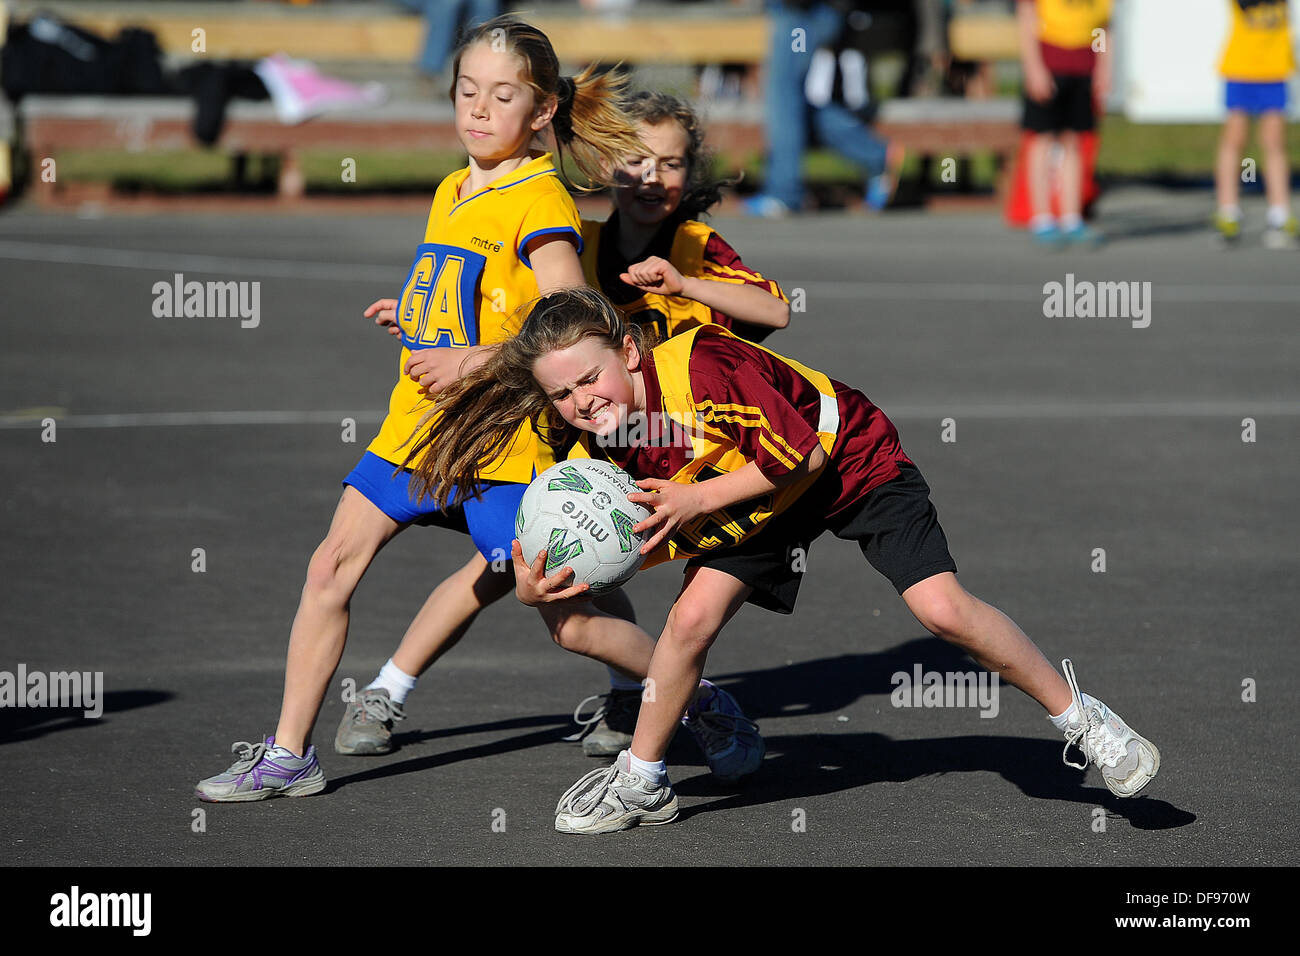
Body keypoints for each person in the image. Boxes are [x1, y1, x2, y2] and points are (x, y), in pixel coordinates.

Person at [404, 287, 1162, 834]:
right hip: (747, 493)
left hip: (845, 459)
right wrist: (541, 583)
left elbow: (797, 453)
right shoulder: (595, 436)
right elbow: (624, 523)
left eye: (590, 378)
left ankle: (1084, 721)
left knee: (940, 610)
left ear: (628, 351)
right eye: (563, 394)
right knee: (689, 620)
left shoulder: (702, 368)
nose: (583, 401)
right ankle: (643, 780)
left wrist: (695, 505)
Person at [194, 15, 671, 802]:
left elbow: (572, 322)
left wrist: (473, 358)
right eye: (466, 91)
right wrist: (422, 313)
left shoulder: (539, 197)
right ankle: (288, 754)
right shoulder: (456, 185)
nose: (478, 109)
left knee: (568, 619)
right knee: (328, 569)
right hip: (419, 425)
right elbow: (477, 294)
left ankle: (697, 694)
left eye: (502, 95)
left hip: (506, 441)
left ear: (543, 109)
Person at [350, 88, 792, 761]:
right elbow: (511, 316)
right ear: (609, 164)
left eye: (670, 164)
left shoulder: (697, 247)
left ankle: (654, 696)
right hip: (587, 441)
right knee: (514, 563)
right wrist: (422, 317)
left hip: (681, 454)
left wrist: (687, 286)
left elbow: (775, 312)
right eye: (636, 160)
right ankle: (393, 687)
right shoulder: (576, 246)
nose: (650, 177)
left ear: (690, 175)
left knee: (566, 573)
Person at [744, 0, 904, 217]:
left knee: (784, 96)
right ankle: (876, 155)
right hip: (806, 12)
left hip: (802, 14)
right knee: (791, 103)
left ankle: (784, 193)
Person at [1015, 0, 1111, 246]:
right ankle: (1043, 219)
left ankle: (1071, 218)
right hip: (1049, 63)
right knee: (1042, 139)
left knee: (1074, 141)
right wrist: (1033, 67)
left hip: (1083, 67)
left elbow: (1103, 28)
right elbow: (1026, 21)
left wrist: (1103, 67)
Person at [1213, 0, 1297, 248]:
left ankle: (1279, 214)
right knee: (1235, 139)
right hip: (1241, 68)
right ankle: (1228, 212)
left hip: (1275, 69)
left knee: (1274, 141)